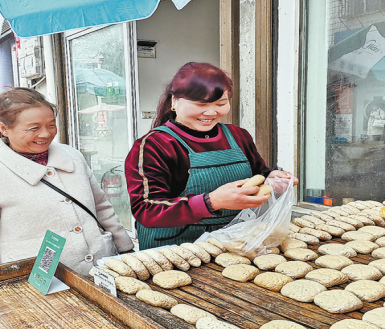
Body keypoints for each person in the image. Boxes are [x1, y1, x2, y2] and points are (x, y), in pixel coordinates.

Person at [0, 88, 134, 273]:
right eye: (34, 128)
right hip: (35, 289)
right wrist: (0, 290)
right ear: (4, 129)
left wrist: (125, 249)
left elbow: (102, 208)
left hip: (101, 272)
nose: (46, 134)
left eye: (51, 125)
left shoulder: (72, 157)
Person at [125, 62, 297, 249]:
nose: (211, 112)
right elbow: (146, 209)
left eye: (221, 103)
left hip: (234, 243)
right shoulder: (155, 145)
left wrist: (272, 180)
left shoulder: (238, 136)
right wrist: (211, 201)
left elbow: (259, 175)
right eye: (201, 104)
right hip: (173, 249)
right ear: (174, 101)